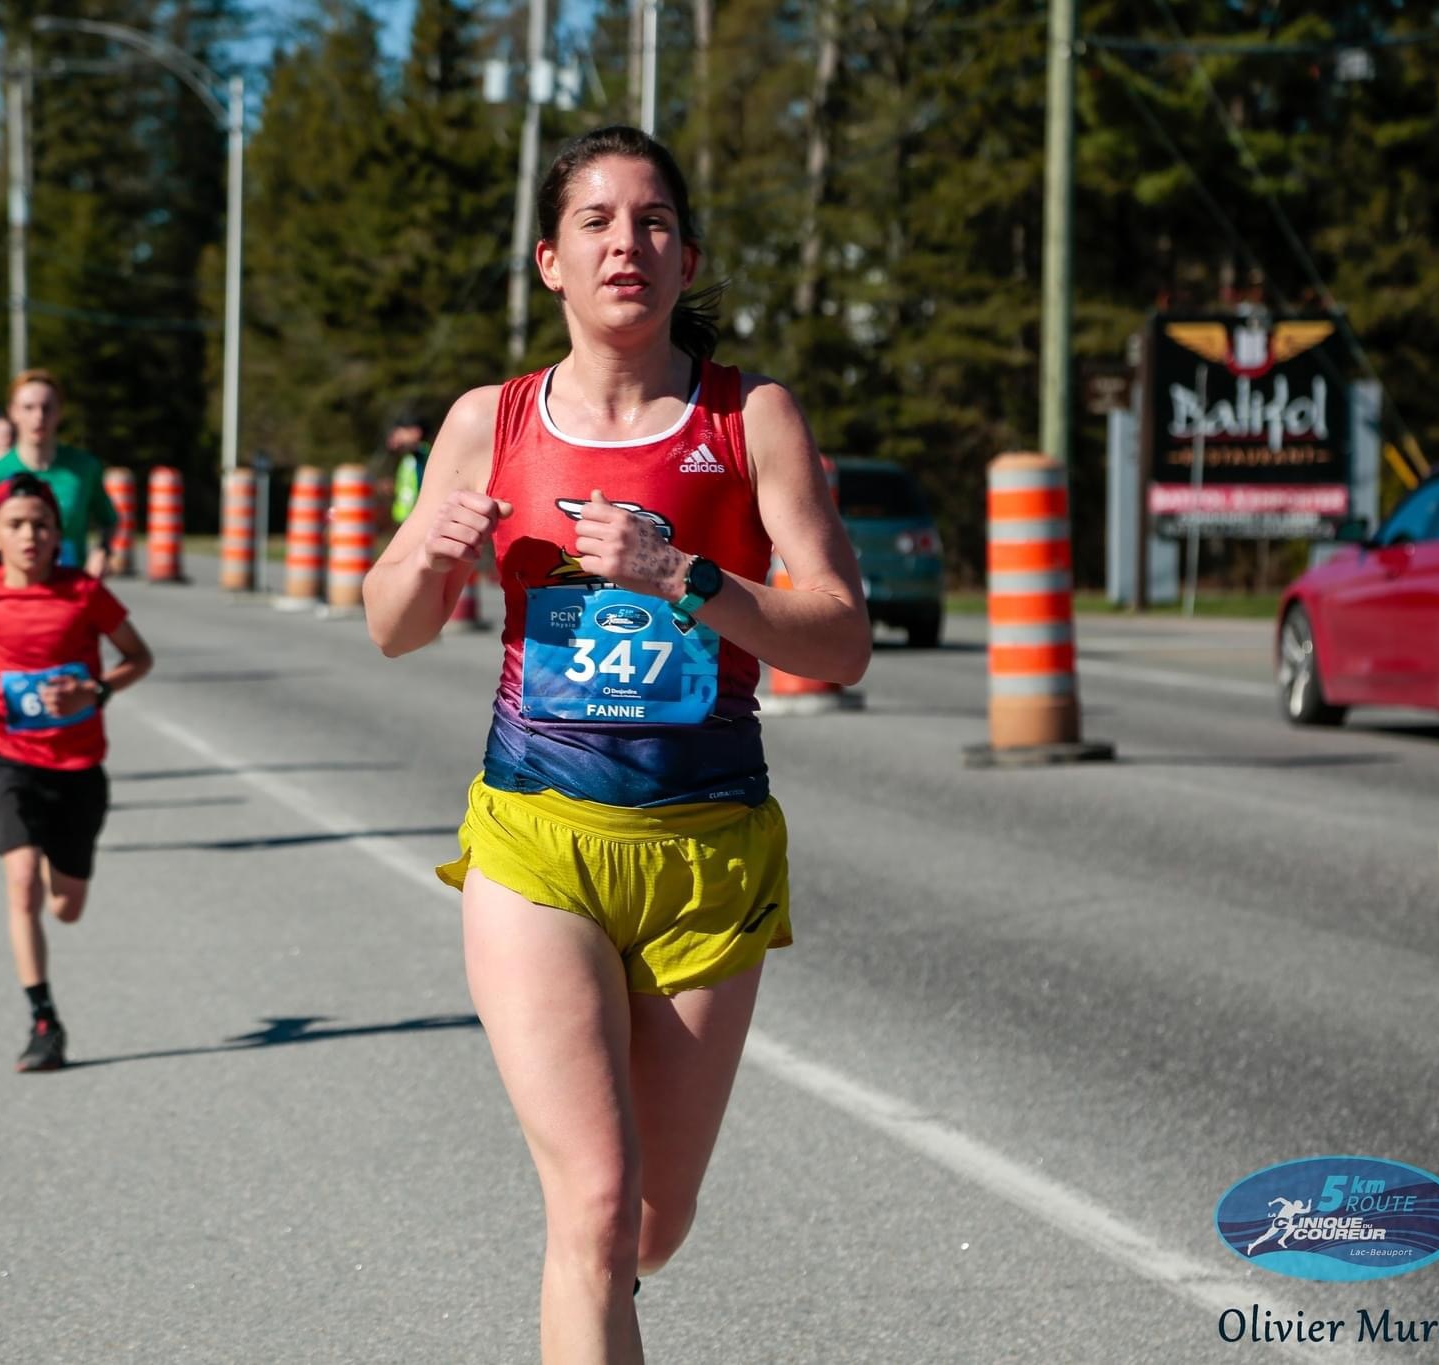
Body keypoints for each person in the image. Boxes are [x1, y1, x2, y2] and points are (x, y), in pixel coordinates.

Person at [363, 127, 870, 1364]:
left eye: (651, 222)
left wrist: (685, 575)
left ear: (685, 256)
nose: (623, 244)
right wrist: (429, 561)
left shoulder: (748, 417)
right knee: (591, 1208)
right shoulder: (489, 421)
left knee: (648, 1224)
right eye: (593, 222)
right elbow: (390, 627)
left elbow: (843, 637)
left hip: (707, 853)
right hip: (536, 844)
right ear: (549, 260)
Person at [0, 473, 152, 1072]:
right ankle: (44, 1022)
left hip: (79, 770)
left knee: (66, 908)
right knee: (21, 883)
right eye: (16, 525)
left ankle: (35, 844)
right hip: (12, 762)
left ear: (58, 535)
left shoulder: (84, 592)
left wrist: (94, 691)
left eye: (41, 525)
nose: (29, 535)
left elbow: (140, 657)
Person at [0, 370, 117, 577]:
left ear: (59, 412)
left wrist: (103, 551)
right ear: (13, 412)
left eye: (47, 408)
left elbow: (109, 520)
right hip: (13, 589)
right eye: (29, 408)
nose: (39, 417)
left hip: (69, 586)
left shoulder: (84, 468)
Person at [385, 416, 432, 526]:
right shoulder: (407, 459)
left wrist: (402, 442)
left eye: (401, 433)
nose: (396, 437)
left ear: (416, 432)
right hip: (403, 518)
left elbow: (415, 447)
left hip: (418, 520)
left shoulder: (423, 452)